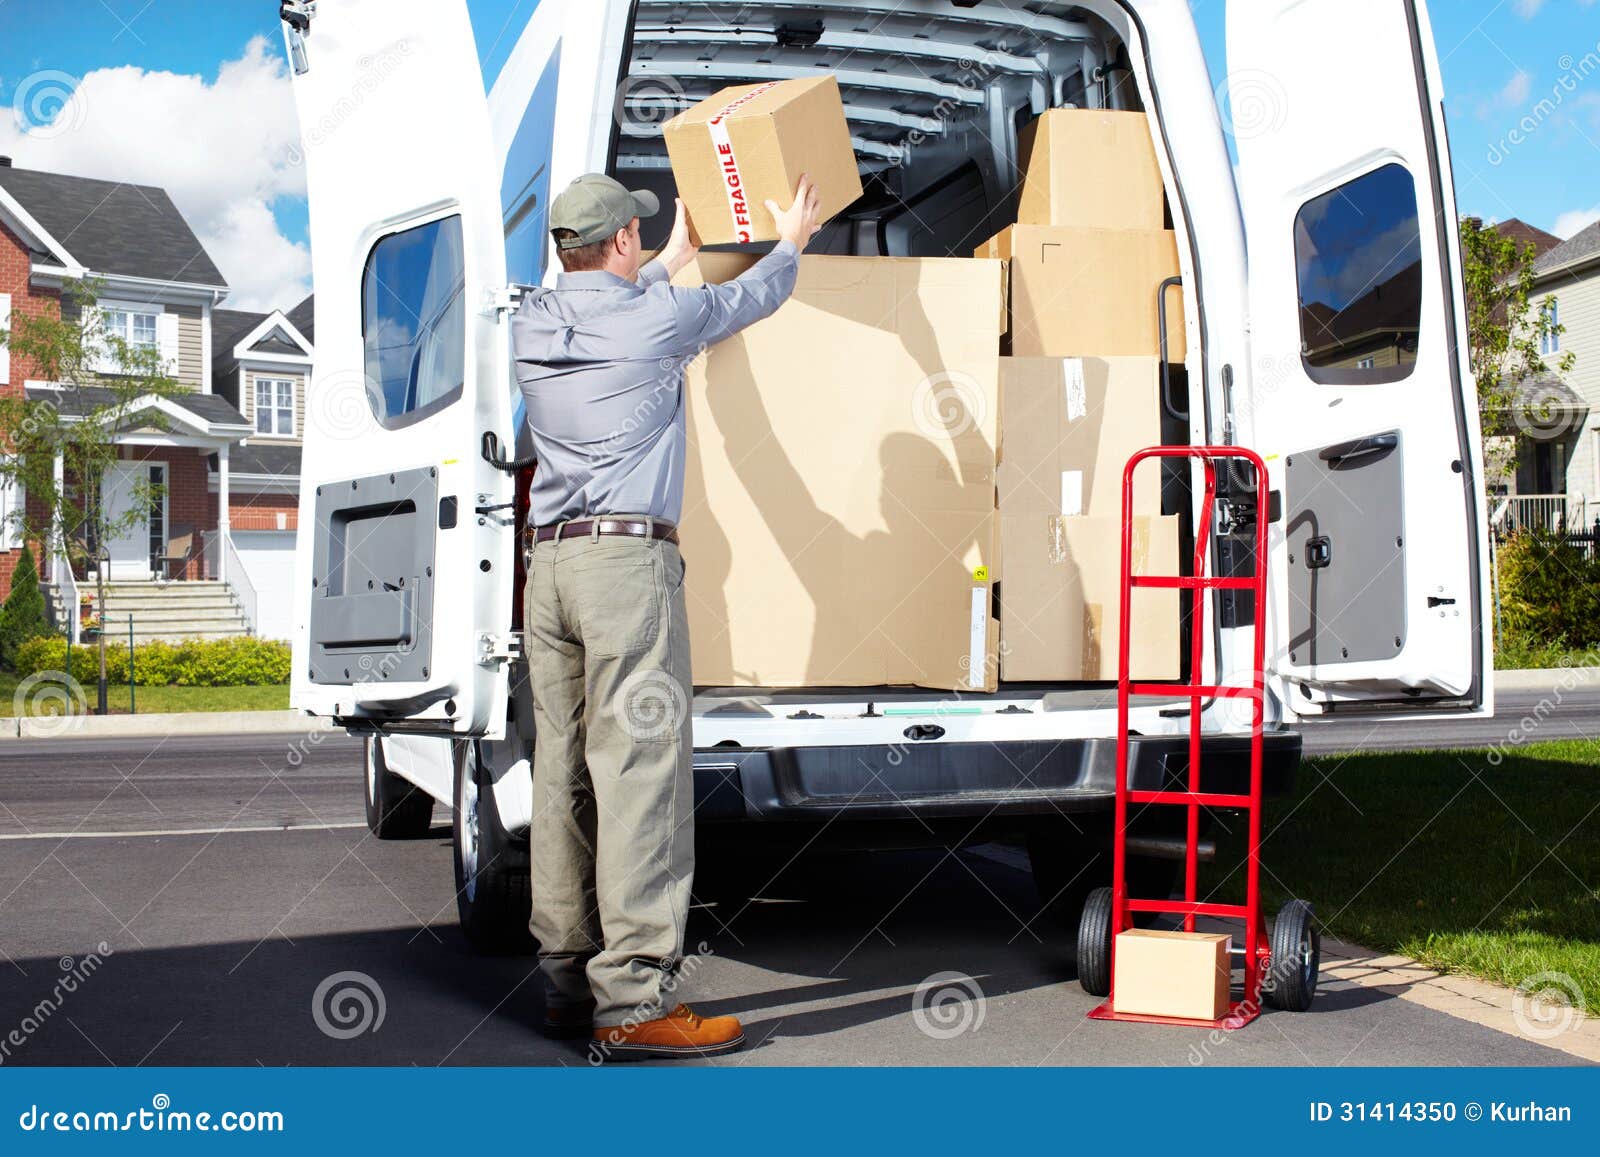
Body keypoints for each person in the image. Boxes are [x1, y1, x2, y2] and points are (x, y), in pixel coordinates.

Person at [512, 171, 823, 1060]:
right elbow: (756, 294)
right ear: (617, 244)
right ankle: (636, 1001)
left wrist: (671, 258)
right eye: (635, 236)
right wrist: (790, 235)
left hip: (553, 569)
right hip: (624, 568)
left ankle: (569, 986)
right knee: (640, 773)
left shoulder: (532, 322)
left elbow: (610, 307)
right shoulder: (658, 321)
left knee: (563, 772)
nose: (641, 244)